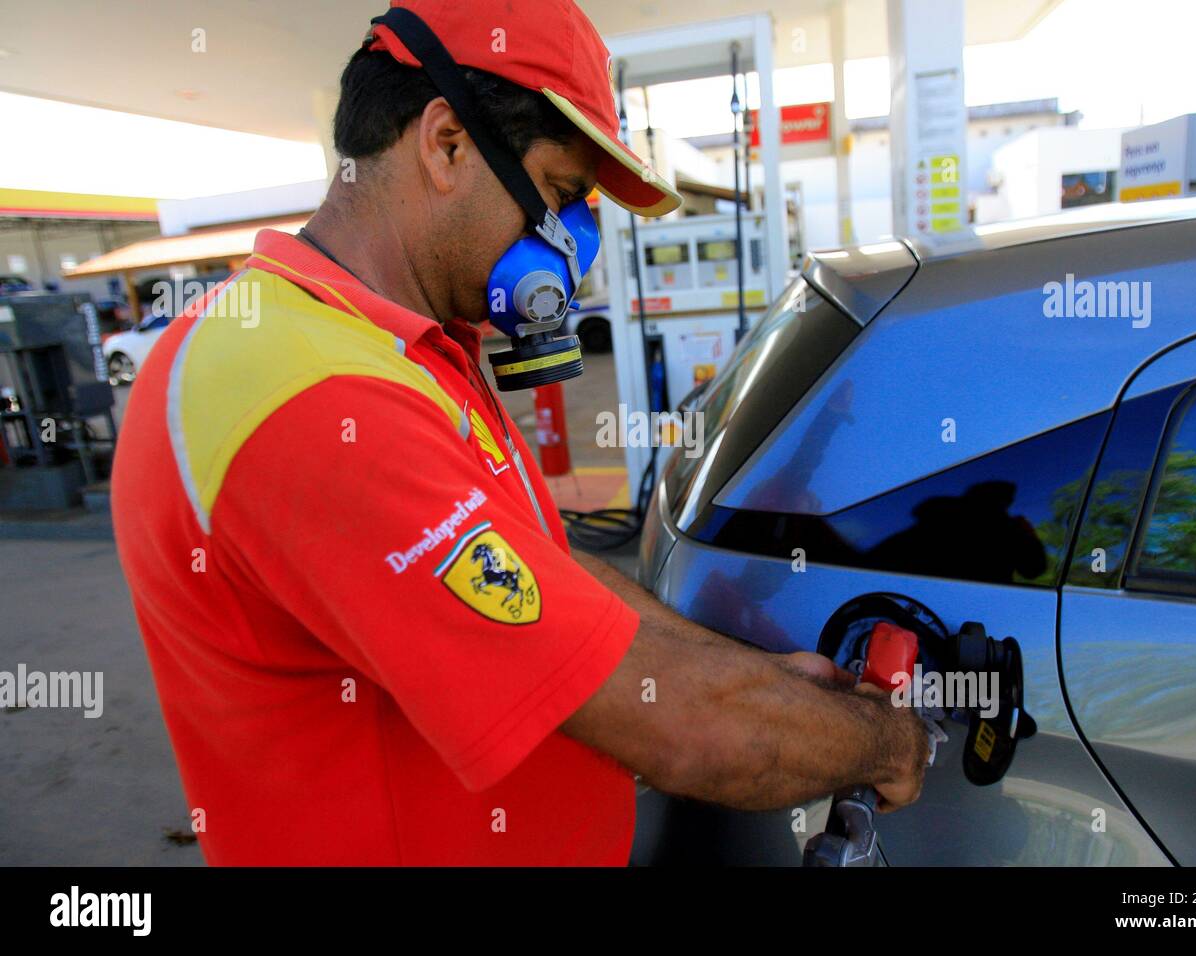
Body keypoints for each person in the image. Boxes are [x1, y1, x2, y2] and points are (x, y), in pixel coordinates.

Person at [111, 0, 928, 865]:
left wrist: (761, 678)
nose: (576, 243)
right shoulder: (303, 392)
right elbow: (685, 733)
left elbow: (533, 577)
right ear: (446, 144)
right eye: (562, 193)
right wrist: (885, 744)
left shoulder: (400, 347)